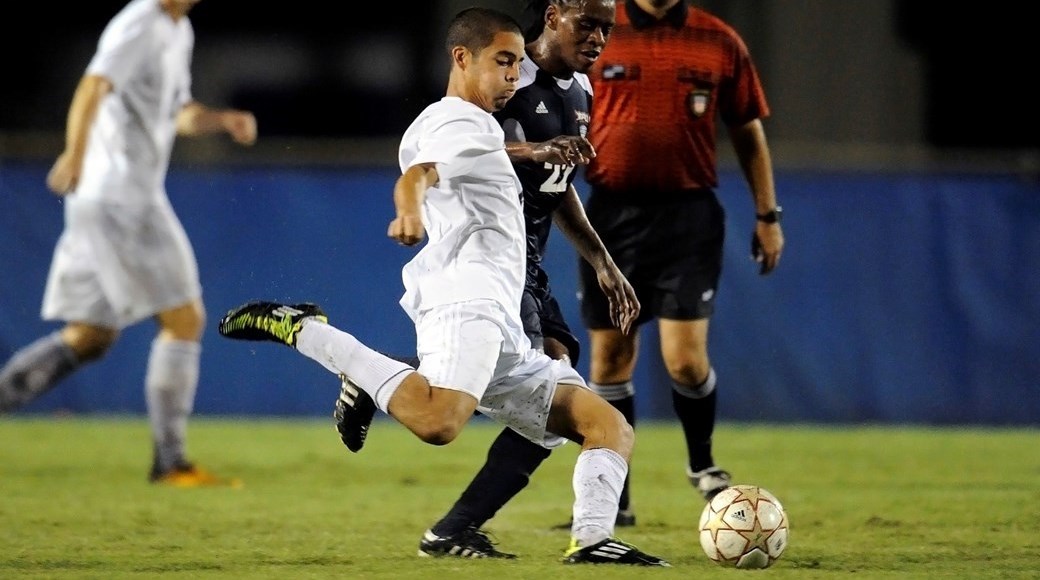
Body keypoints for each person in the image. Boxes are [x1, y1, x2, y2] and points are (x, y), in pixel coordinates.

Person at [219, 7, 667, 567]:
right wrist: (407, 212)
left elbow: (500, 166)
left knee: (607, 426)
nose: (512, 75)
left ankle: (594, 541)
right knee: (438, 422)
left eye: (516, 64)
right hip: (466, 300)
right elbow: (420, 174)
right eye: (503, 62)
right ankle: (307, 332)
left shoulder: (486, 125)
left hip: (503, 316)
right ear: (462, 58)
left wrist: (544, 171)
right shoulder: (449, 119)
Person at [412, 0, 638, 560]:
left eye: (608, 29)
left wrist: (602, 261)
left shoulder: (580, 94)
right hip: (490, 266)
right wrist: (534, 148)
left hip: (527, 265)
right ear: (555, 14)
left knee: (558, 395)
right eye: (588, 24)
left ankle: (455, 528)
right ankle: (453, 522)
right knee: (546, 400)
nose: (598, 39)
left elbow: (557, 190)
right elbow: (467, 148)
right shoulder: (506, 76)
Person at [0, 0, 257, 487]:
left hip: (106, 200)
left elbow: (177, 114)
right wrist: (74, 155)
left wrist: (220, 121)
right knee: (185, 320)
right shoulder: (140, 20)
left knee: (89, 337)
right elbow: (94, 84)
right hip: (123, 199)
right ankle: (171, 463)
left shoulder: (177, 31)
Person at [577, 0, 785, 520]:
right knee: (609, 361)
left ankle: (704, 465)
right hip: (609, 216)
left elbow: (747, 131)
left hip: (687, 216)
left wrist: (768, 214)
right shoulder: (598, 29)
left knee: (686, 361)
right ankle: (616, 500)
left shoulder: (718, 40)